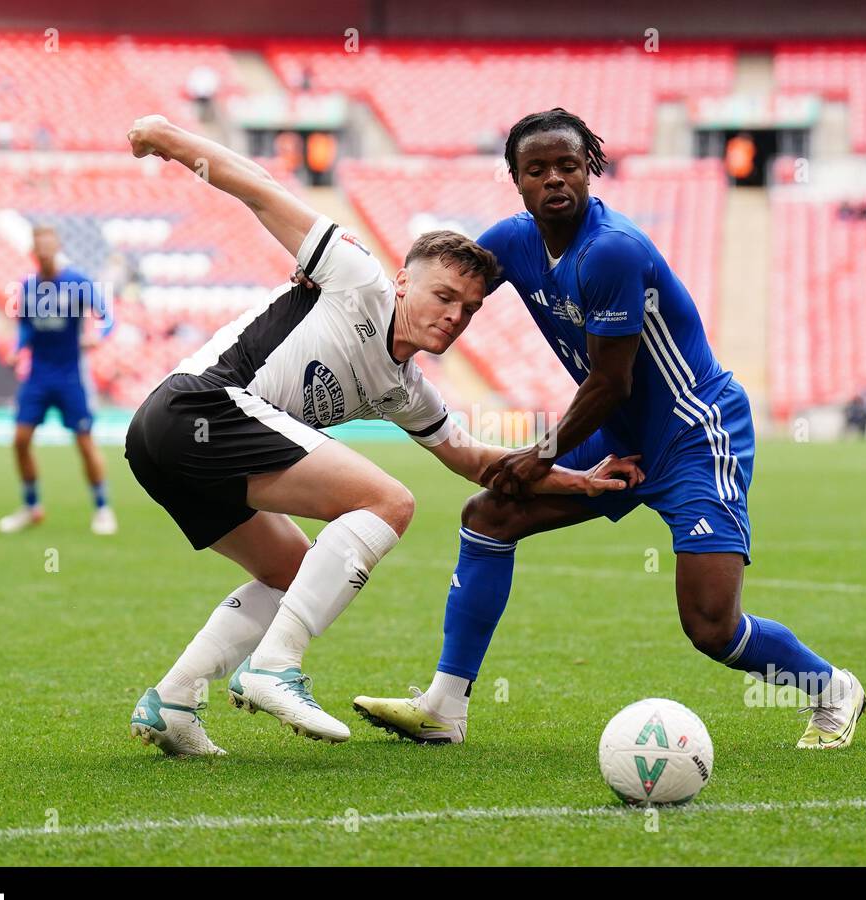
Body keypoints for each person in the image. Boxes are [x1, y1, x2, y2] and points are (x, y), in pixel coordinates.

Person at [121, 115, 641, 756]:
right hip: (194, 409)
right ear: (402, 281)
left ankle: (174, 702)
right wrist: (168, 139)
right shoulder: (355, 277)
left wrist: (576, 480)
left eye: (469, 310)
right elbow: (258, 188)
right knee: (389, 502)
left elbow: (474, 460)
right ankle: (275, 665)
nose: (454, 317)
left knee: (290, 570)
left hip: (172, 446)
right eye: (443, 296)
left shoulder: (404, 389)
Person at [354, 108, 866, 748]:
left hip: (695, 434)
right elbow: (446, 279)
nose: (554, 180)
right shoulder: (512, 242)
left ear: (591, 169)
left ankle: (831, 688)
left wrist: (541, 456)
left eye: (568, 165)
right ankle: (444, 708)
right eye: (535, 169)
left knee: (711, 626)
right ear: (515, 179)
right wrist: (354, 301)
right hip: (618, 433)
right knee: (489, 515)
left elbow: (609, 382)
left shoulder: (613, 251)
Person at [0, 225, 117, 535]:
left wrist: (97, 337)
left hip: (70, 376)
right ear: (34, 252)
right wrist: (17, 349)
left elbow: (107, 316)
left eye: (50, 245)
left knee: (84, 441)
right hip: (37, 376)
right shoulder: (27, 287)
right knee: (20, 441)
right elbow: (26, 327)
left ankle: (103, 508)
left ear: (57, 247)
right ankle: (31, 505)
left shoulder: (76, 282)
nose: (45, 251)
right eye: (40, 246)